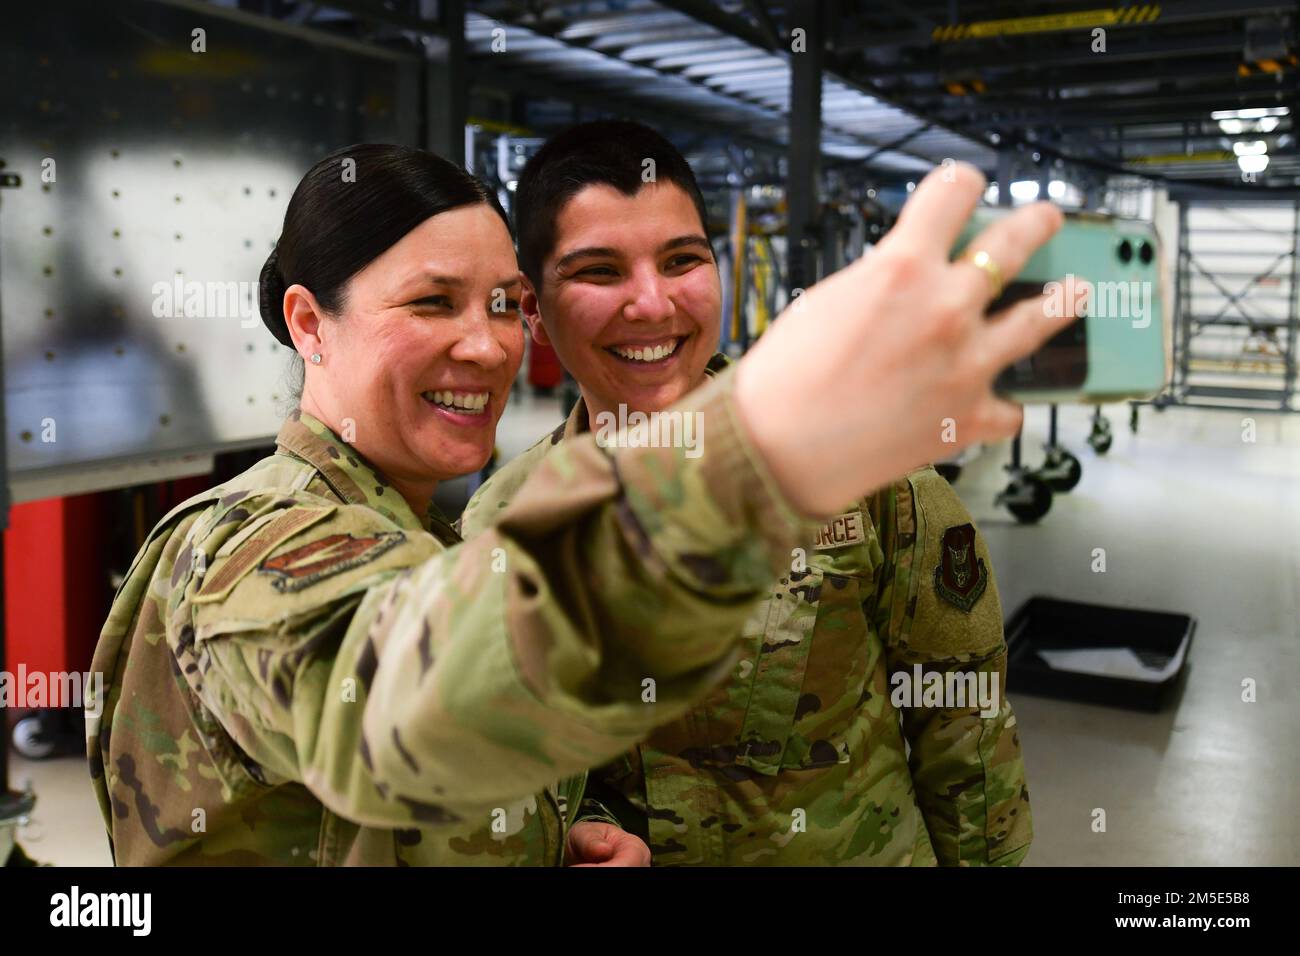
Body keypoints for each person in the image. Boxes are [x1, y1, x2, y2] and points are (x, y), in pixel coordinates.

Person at [88, 136, 1073, 866]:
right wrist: (759, 446)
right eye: (431, 302)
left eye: (498, 304)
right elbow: (396, 704)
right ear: (309, 322)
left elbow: (963, 737)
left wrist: (543, 837)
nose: (483, 344)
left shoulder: (441, 528)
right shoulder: (261, 544)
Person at [461, 121, 1043, 866]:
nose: (653, 304)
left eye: (682, 260)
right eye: (600, 272)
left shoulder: (857, 469)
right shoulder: (505, 520)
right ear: (534, 312)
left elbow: (962, 726)